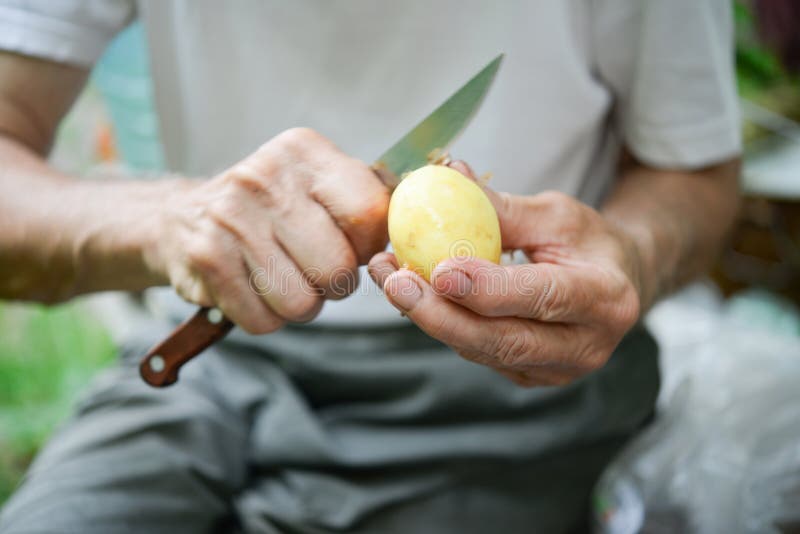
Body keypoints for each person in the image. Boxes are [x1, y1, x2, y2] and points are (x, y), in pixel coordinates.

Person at [0, 1, 740, 533]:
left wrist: (634, 255)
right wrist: (166, 223)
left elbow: (695, 174)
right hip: (213, 359)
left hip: (509, 402)